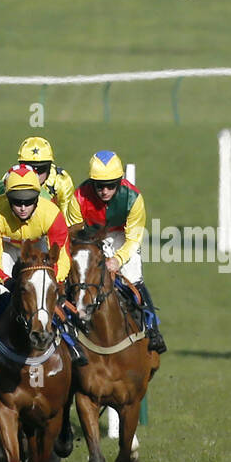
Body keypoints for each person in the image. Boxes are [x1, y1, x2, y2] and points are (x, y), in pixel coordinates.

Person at [0, 165, 87, 369]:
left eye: (28, 201)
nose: (22, 207)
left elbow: (63, 258)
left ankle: (72, 342)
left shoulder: (51, 213)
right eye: (16, 202)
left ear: (37, 198)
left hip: (37, 247)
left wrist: (53, 281)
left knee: (47, 291)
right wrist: (8, 281)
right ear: (7, 198)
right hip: (6, 248)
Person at [66, 150, 167, 353]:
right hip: (90, 238)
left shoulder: (133, 198)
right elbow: (72, 233)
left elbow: (134, 238)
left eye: (111, 185)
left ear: (119, 181)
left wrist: (118, 259)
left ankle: (152, 329)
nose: (104, 191)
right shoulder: (79, 197)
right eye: (99, 185)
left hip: (121, 236)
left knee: (134, 275)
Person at [0, 136, 76, 220]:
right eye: (30, 168)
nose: (35, 174)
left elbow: (66, 218)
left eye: (41, 169)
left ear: (49, 167)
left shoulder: (62, 181)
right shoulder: (11, 178)